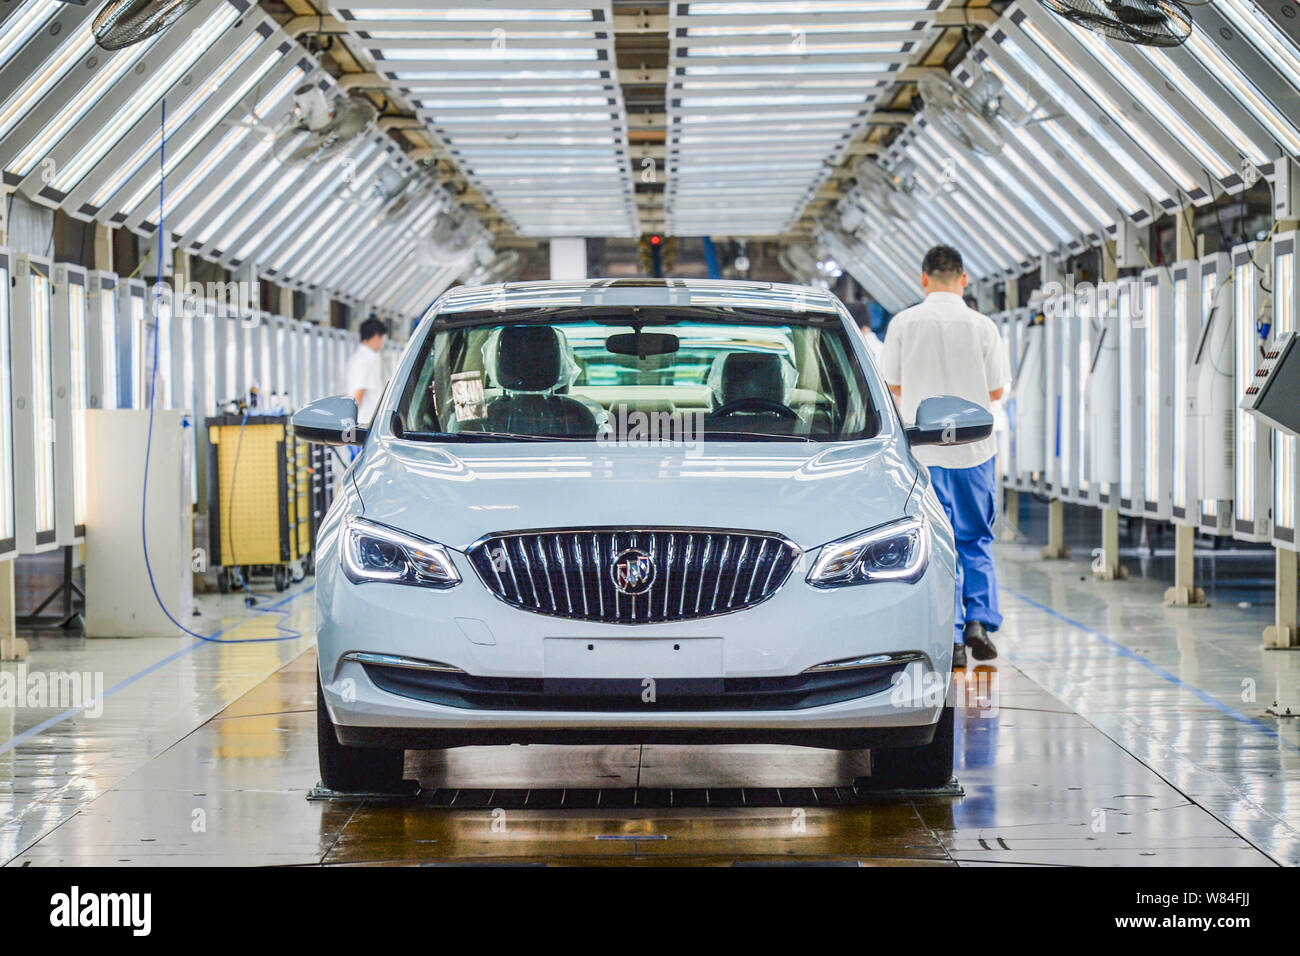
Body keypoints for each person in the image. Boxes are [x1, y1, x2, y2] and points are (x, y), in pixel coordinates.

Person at [880, 245, 1011, 669]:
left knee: (936, 545)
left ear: (923, 279)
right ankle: (980, 623)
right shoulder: (983, 326)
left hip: (923, 455)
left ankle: (950, 636)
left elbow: (892, 385)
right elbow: (996, 392)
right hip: (975, 452)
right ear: (964, 279)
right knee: (976, 536)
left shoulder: (903, 323)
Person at [345, 316, 388, 428]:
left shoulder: (358, 356)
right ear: (376, 336)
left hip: (361, 421)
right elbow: (359, 391)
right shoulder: (367, 358)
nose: (383, 342)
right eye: (382, 337)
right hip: (365, 422)